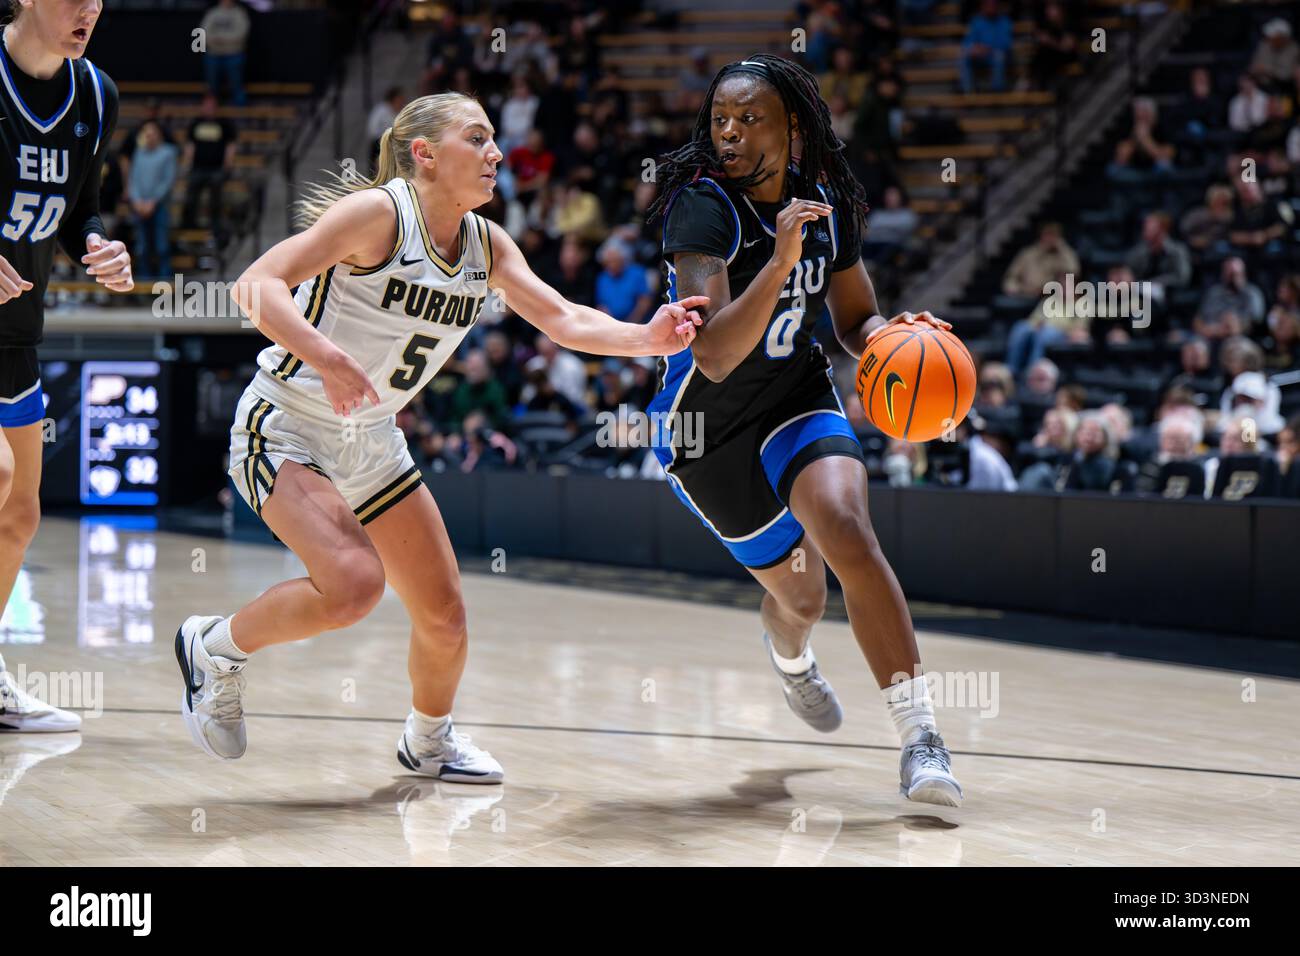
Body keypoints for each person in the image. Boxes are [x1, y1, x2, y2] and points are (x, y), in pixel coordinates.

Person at [177, 93, 705, 779]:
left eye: (494, 139)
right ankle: (214, 648)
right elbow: (255, 286)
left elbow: (565, 320)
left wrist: (646, 336)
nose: (496, 154)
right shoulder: (378, 215)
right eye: (477, 139)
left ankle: (428, 741)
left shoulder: (487, 243)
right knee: (355, 586)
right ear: (424, 154)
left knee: (445, 615)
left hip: (371, 438)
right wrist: (327, 357)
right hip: (286, 422)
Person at [647, 54, 963, 806]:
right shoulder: (700, 208)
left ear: (792, 126)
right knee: (804, 599)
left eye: (748, 118)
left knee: (846, 526)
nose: (728, 133)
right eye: (720, 118)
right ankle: (790, 659)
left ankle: (920, 739)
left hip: (794, 394)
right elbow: (716, 352)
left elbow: (855, 319)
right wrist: (781, 255)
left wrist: (894, 337)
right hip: (705, 431)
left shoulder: (827, 197)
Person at [0, 0, 133, 731]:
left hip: (15, 333)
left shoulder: (96, 94)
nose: (89, 9)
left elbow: (83, 203)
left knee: (19, 517)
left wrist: (98, 243)